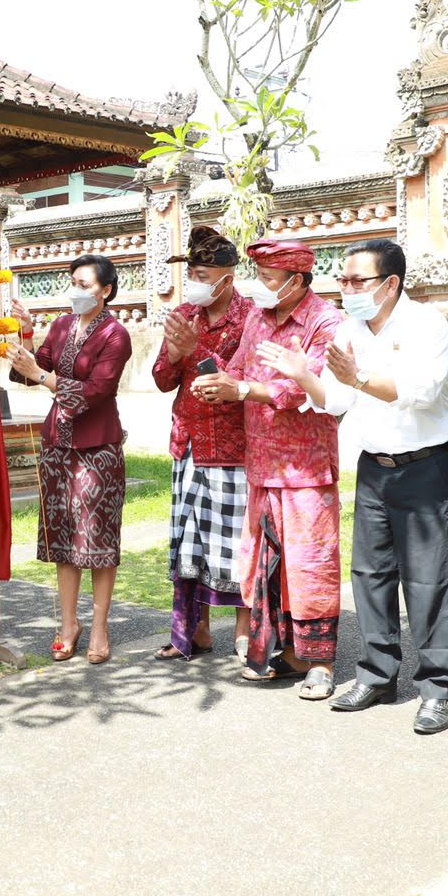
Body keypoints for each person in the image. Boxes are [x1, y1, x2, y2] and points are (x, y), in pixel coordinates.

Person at [270, 239, 448, 733]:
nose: (348, 289)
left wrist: (357, 377)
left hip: (425, 467)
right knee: (371, 575)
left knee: (430, 582)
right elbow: (333, 400)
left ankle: (437, 688)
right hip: (374, 468)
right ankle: (377, 675)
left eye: (359, 281)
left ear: (390, 283)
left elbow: (420, 393)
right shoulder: (351, 329)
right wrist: (303, 377)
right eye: (345, 280)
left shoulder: (426, 325)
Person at [195, 240, 343, 697]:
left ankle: (320, 661)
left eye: (268, 279)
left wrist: (244, 391)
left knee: (310, 563)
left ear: (297, 280)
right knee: (265, 563)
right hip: (262, 464)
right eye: (257, 276)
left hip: (305, 466)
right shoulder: (259, 317)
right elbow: (239, 368)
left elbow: (309, 390)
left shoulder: (326, 321)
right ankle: (279, 652)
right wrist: (218, 378)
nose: (259, 288)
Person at [7, 254, 133, 665]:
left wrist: (43, 377)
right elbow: (32, 370)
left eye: (85, 284)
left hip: (98, 448)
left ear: (106, 290)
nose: (76, 291)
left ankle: (99, 624)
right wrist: (25, 334)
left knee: (97, 539)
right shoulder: (61, 325)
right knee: (63, 538)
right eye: (73, 283)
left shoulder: (116, 335)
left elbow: (96, 391)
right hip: (57, 444)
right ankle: (68, 623)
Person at [150, 226, 255, 661]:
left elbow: (242, 378)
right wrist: (175, 354)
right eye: (190, 272)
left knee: (235, 543)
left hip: (233, 448)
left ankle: (246, 633)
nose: (194, 281)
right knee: (189, 541)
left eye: (202, 273)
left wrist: (193, 352)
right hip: (188, 443)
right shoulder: (184, 313)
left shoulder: (251, 317)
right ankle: (194, 631)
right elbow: (160, 379)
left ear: (226, 279)